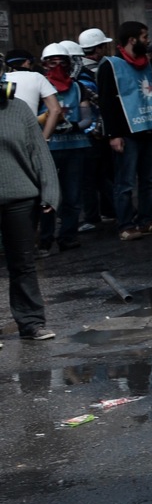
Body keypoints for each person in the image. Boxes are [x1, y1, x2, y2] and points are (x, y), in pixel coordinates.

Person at [96, 22, 152, 241]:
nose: (148, 41)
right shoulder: (111, 65)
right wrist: (113, 134)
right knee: (125, 183)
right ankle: (125, 225)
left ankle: (147, 221)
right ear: (132, 39)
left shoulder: (146, 63)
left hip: (150, 128)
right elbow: (106, 102)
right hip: (127, 133)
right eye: (144, 37)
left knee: (151, 179)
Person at [0, 87, 59, 345]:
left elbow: (40, 153)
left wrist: (50, 192)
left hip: (20, 199)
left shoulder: (19, 109)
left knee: (22, 263)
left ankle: (31, 323)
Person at [37, 43, 94, 251]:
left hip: (75, 147)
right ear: (44, 65)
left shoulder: (78, 87)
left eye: (62, 61)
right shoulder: (39, 86)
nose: (58, 65)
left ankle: (68, 236)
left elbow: (87, 117)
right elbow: (31, 118)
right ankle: (45, 238)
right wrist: (48, 125)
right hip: (48, 149)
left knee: (72, 196)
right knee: (48, 197)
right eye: (53, 62)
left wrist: (74, 126)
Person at [78, 27, 118, 226]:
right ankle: (112, 210)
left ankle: (102, 213)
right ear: (98, 48)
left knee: (94, 178)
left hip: (90, 131)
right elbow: (105, 103)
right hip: (100, 131)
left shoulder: (79, 73)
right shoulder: (102, 69)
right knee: (103, 175)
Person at [3, 51, 59, 136]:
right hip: (29, 133)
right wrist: (44, 138)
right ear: (27, 62)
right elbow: (56, 110)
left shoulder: (3, 79)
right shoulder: (37, 77)